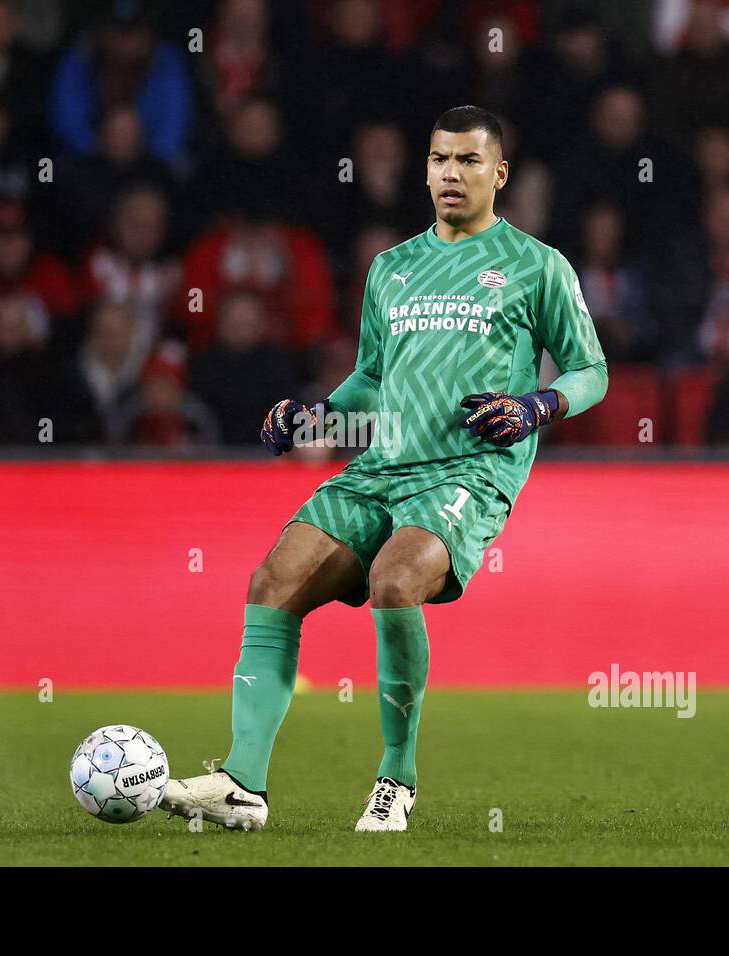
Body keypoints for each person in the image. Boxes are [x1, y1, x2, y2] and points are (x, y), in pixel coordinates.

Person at [158, 106, 607, 832]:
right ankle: (243, 782)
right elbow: (370, 377)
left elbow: (594, 370)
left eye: (467, 161)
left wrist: (537, 404)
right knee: (272, 580)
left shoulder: (536, 265)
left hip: (468, 471)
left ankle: (395, 780)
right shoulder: (392, 268)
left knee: (395, 579)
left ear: (500, 174)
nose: (450, 175)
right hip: (382, 465)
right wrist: (317, 416)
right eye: (438, 160)